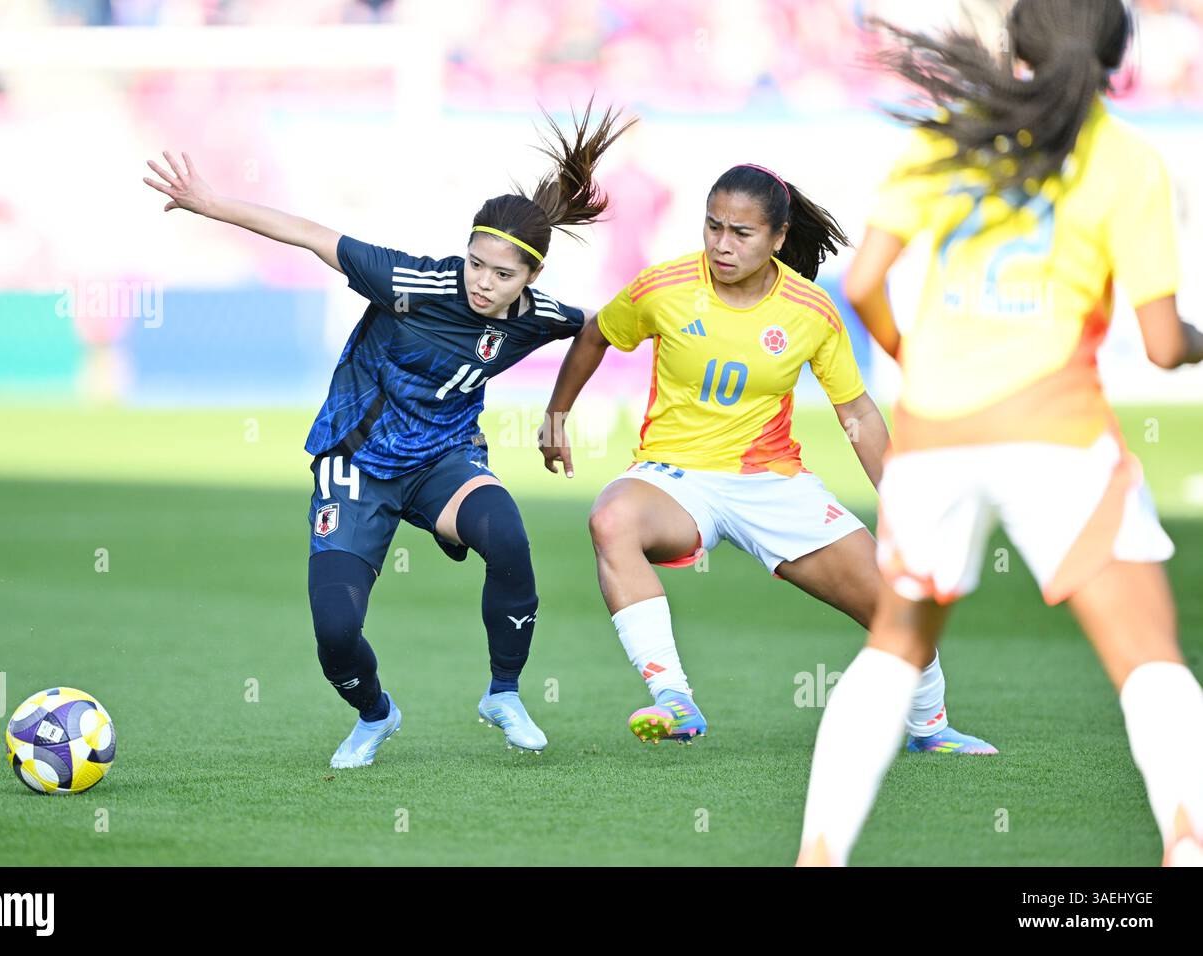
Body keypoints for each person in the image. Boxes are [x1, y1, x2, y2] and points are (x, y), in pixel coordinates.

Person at [797, 0, 1203, 866]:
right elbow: (1165, 345)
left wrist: (923, 365)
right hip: (1055, 430)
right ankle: (1188, 844)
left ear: (1015, 44)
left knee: (894, 650)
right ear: (1116, 52)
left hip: (935, 433)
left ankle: (819, 856)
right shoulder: (1127, 160)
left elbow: (863, 283)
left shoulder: (948, 138)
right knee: (1148, 658)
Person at [143, 106, 633, 767]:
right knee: (337, 633)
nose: (484, 283)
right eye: (477, 263)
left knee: (509, 532)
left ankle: (503, 691)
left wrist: (556, 417)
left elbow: (605, 327)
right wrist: (209, 203)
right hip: (356, 466)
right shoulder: (411, 283)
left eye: (503, 274)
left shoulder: (538, 317)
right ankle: (375, 713)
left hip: (444, 461)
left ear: (531, 279)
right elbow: (310, 234)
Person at [540, 162, 995, 754]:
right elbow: (598, 332)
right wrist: (556, 417)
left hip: (772, 483)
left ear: (777, 238)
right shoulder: (665, 287)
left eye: (741, 233)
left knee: (892, 606)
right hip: (675, 478)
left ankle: (931, 729)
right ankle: (673, 698)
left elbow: (856, 414)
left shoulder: (811, 311)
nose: (722, 245)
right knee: (611, 518)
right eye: (713, 227)